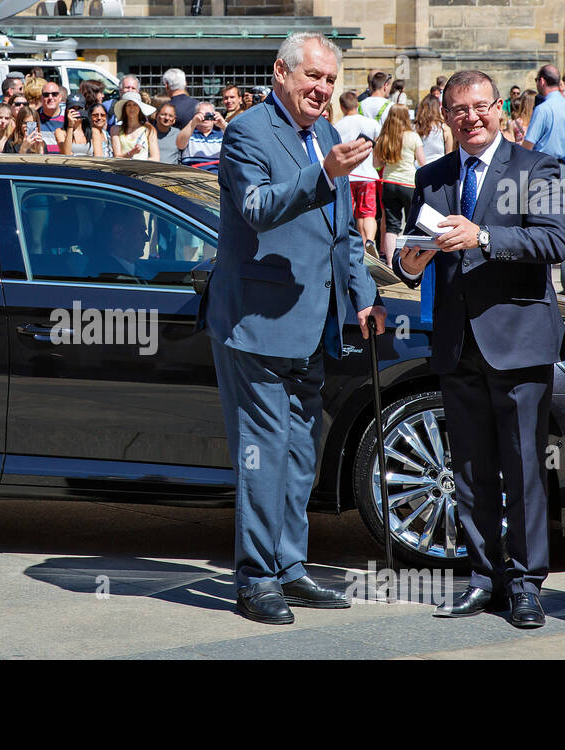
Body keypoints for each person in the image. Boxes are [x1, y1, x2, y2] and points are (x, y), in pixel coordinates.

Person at [203, 31, 385, 625]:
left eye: (331, 80)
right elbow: (256, 207)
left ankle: (288, 566)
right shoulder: (249, 131)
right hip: (257, 326)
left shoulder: (328, 135)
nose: (323, 89)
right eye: (314, 77)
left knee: (300, 453)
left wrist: (363, 295)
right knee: (262, 453)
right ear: (280, 73)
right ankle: (255, 579)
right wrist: (322, 174)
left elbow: (342, 233)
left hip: (315, 325)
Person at [393, 69, 565, 629]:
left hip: (518, 342)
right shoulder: (431, 175)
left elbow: (556, 241)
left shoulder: (536, 167)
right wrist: (409, 262)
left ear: (500, 109)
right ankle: (481, 576)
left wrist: (485, 237)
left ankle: (525, 582)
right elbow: (409, 255)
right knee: (467, 466)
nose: (470, 117)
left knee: (522, 468)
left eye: (479, 107)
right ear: (444, 116)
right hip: (457, 341)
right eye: (457, 110)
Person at [524, 64, 565, 297]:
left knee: (537, 226)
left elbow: (529, 144)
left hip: (541, 169)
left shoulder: (544, 109)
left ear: (541, 81)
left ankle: (540, 282)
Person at [372, 103, 425, 264]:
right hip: (409, 184)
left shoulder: (384, 137)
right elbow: (423, 163)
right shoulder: (413, 136)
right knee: (411, 223)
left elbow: (376, 164)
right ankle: (409, 262)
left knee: (391, 226)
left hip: (388, 182)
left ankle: (389, 263)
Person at [332, 91, 380, 251]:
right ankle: (370, 240)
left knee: (350, 212)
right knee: (367, 212)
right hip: (368, 174)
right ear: (357, 104)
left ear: (342, 107)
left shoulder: (337, 126)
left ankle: (359, 242)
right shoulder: (371, 123)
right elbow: (378, 145)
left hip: (348, 175)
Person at [175, 101, 225, 170]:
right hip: (192, 175)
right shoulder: (189, 133)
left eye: (209, 114)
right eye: (202, 114)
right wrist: (193, 122)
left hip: (215, 175)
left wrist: (223, 125)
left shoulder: (222, 134)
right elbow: (180, 144)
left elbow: (238, 143)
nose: (206, 117)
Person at [110, 91, 158, 161]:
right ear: (124, 108)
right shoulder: (115, 129)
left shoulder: (149, 129)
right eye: (129, 105)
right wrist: (131, 153)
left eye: (135, 105)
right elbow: (117, 156)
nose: (132, 108)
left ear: (139, 108)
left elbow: (155, 158)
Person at [415, 92, 455, 164]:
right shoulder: (444, 129)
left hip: (419, 167)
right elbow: (449, 153)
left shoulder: (416, 127)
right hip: (439, 167)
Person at [34, 81, 65, 154]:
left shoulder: (67, 116)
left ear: (60, 97)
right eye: (46, 95)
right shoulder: (34, 117)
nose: (50, 98)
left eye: (54, 94)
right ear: (41, 98)